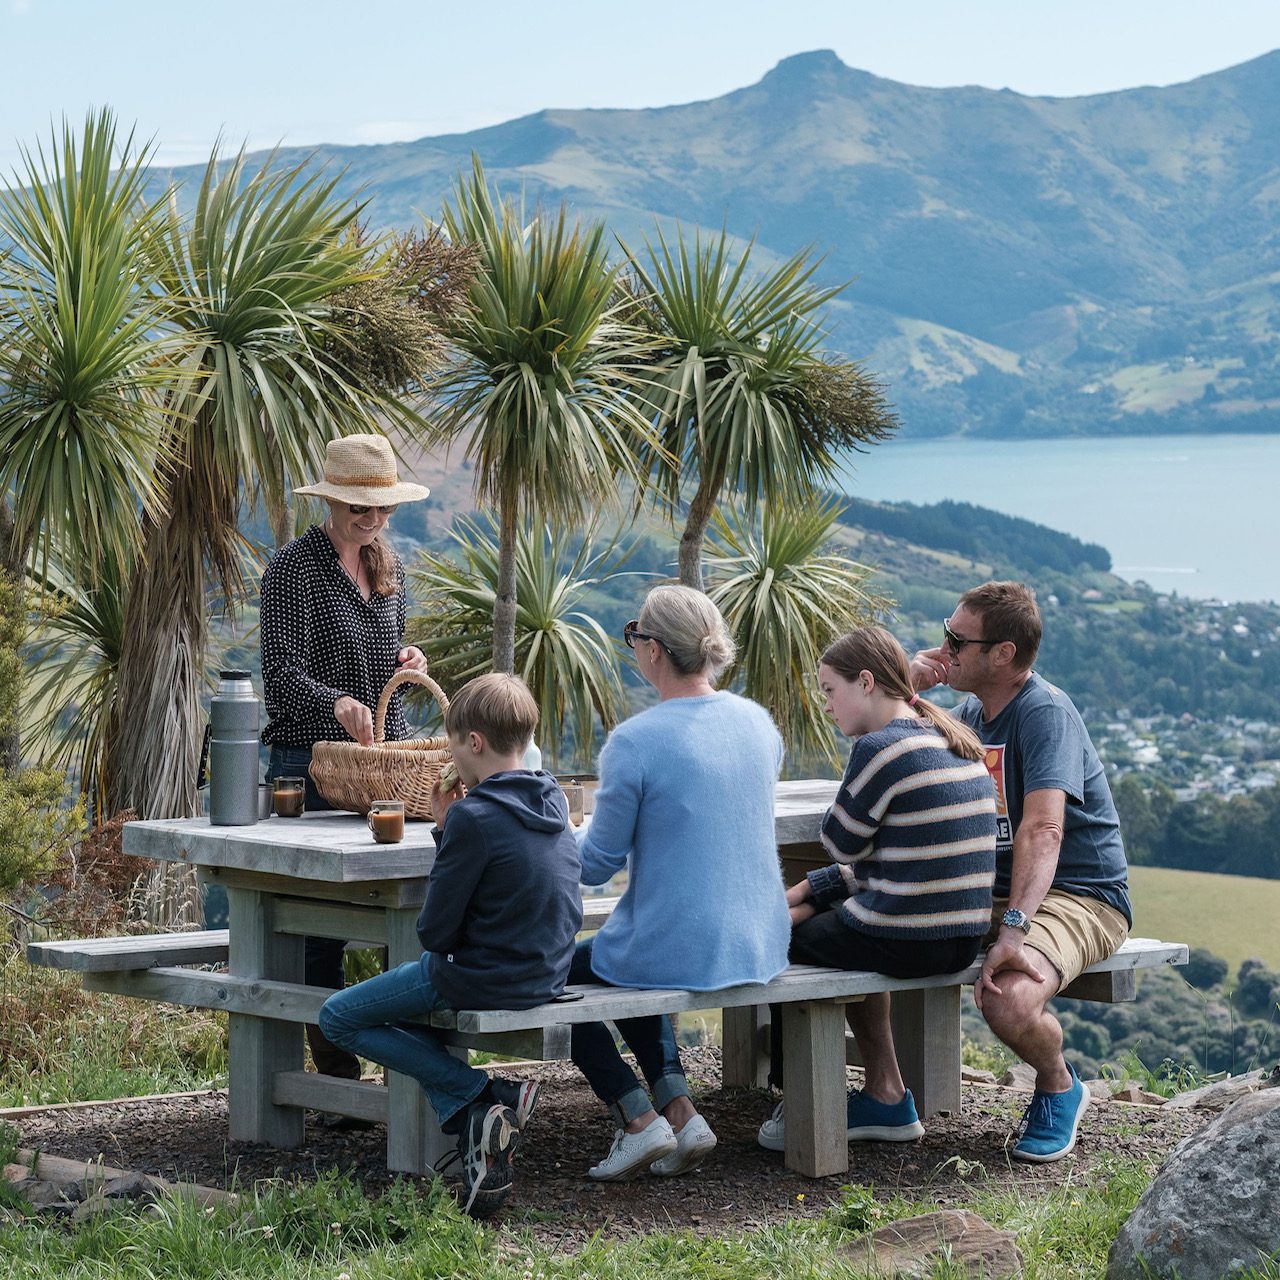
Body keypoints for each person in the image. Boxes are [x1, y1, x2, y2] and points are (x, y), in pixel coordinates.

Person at [318, 673, 583, 1218]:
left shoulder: (473, 817)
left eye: (451, 742)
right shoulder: (552, 797)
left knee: (338, 1017)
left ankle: (485, 1096)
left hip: (480, 977)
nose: (449, 754)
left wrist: (446, 828)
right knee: (411, 1018)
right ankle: (477, 1129)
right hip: (548, 973)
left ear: (475, 743)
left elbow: (434, 934)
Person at [572, 585, 791, 1180]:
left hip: (679, 945)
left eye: (634, 634)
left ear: (654, 651)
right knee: (622, 960)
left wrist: (545, 834)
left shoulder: (635, 742)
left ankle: (636, 1118)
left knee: (550, 977)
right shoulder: (758, 724)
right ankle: (683, 1113)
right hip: (760, 943)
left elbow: (593, 865)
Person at [912, 581, 1132, 1163]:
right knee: (869, 934)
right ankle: (886, 1095)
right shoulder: (968, 714)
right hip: (999, 888)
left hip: (1079, 893)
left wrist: (1013, 930)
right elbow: (888, 758)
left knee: (1007, 1002)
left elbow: (1044, 830)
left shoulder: (1044, 713)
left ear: (1003, 654)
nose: (945, 648)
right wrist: (907, 691)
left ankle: (1060, 1084)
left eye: (956, 639)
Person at [757, 626, 997, 1155]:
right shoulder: (952, 738)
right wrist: (810, 892)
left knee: (778, 943)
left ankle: (795, 1098)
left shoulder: (880, 747)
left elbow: (840, 842)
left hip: (909, 935)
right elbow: (893, 864)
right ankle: (886, 1096)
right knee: (825, 920)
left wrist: (805, 899)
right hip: (960, 936)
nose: (826, 705)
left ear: (865, 682)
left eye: (828, 690)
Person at [260, 432, 431, 1091]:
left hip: (384, 770)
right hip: (308, 769)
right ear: (330, 500)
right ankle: (335, 1080)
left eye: (383, 508)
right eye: (361, 507)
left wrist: (406, 662)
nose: (374, 519)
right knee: (318, 929)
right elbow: (279, 677)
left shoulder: (389, 567)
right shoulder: (292, 569)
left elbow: (379, 656)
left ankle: (409, 1066)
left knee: (401, 911)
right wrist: (335, 703)